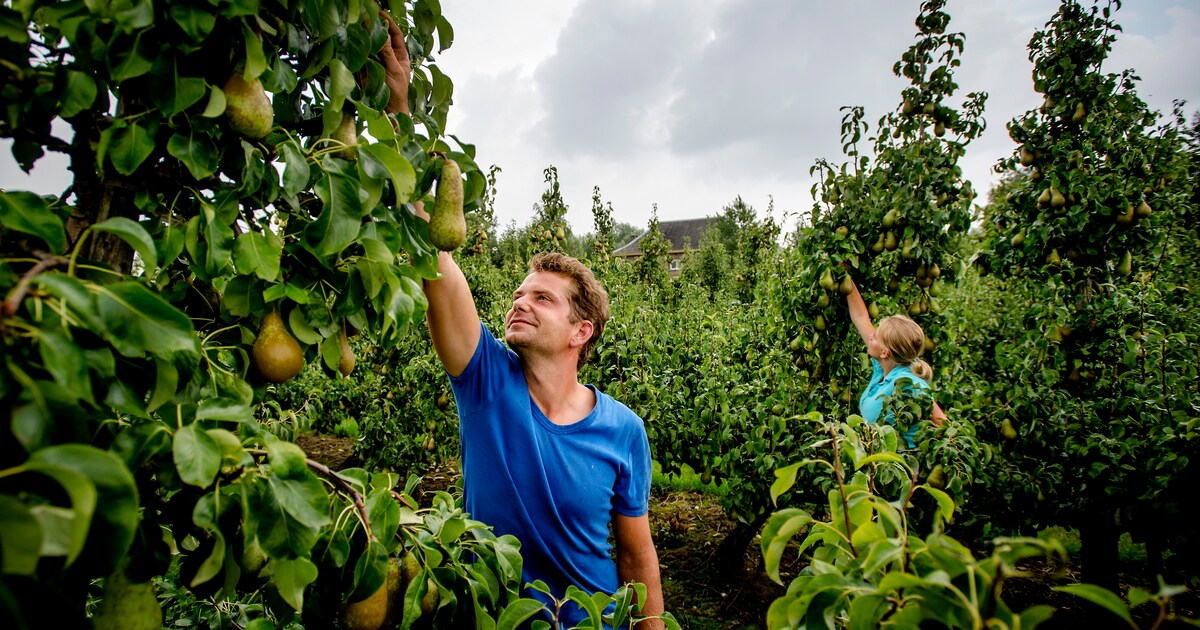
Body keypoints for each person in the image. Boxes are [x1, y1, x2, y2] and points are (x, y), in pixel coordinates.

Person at [377, 14, 664, 628]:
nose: (519, 302)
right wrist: (401, 113)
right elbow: (435, 254)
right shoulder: (485, 381)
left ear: (581, 332)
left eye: (543, 298)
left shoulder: (623, 431)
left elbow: (638, 554)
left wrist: (652, 623)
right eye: (518, 293)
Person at [843, 273, 947, 448]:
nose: (870, 337)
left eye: (875, 337)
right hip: (877, 466)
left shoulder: (909, 383)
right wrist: (846, 278)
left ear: (885, 352)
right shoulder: (883, 368)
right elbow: (861, 317)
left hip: (898, 470)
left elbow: (944, 427)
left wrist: (917, 466)